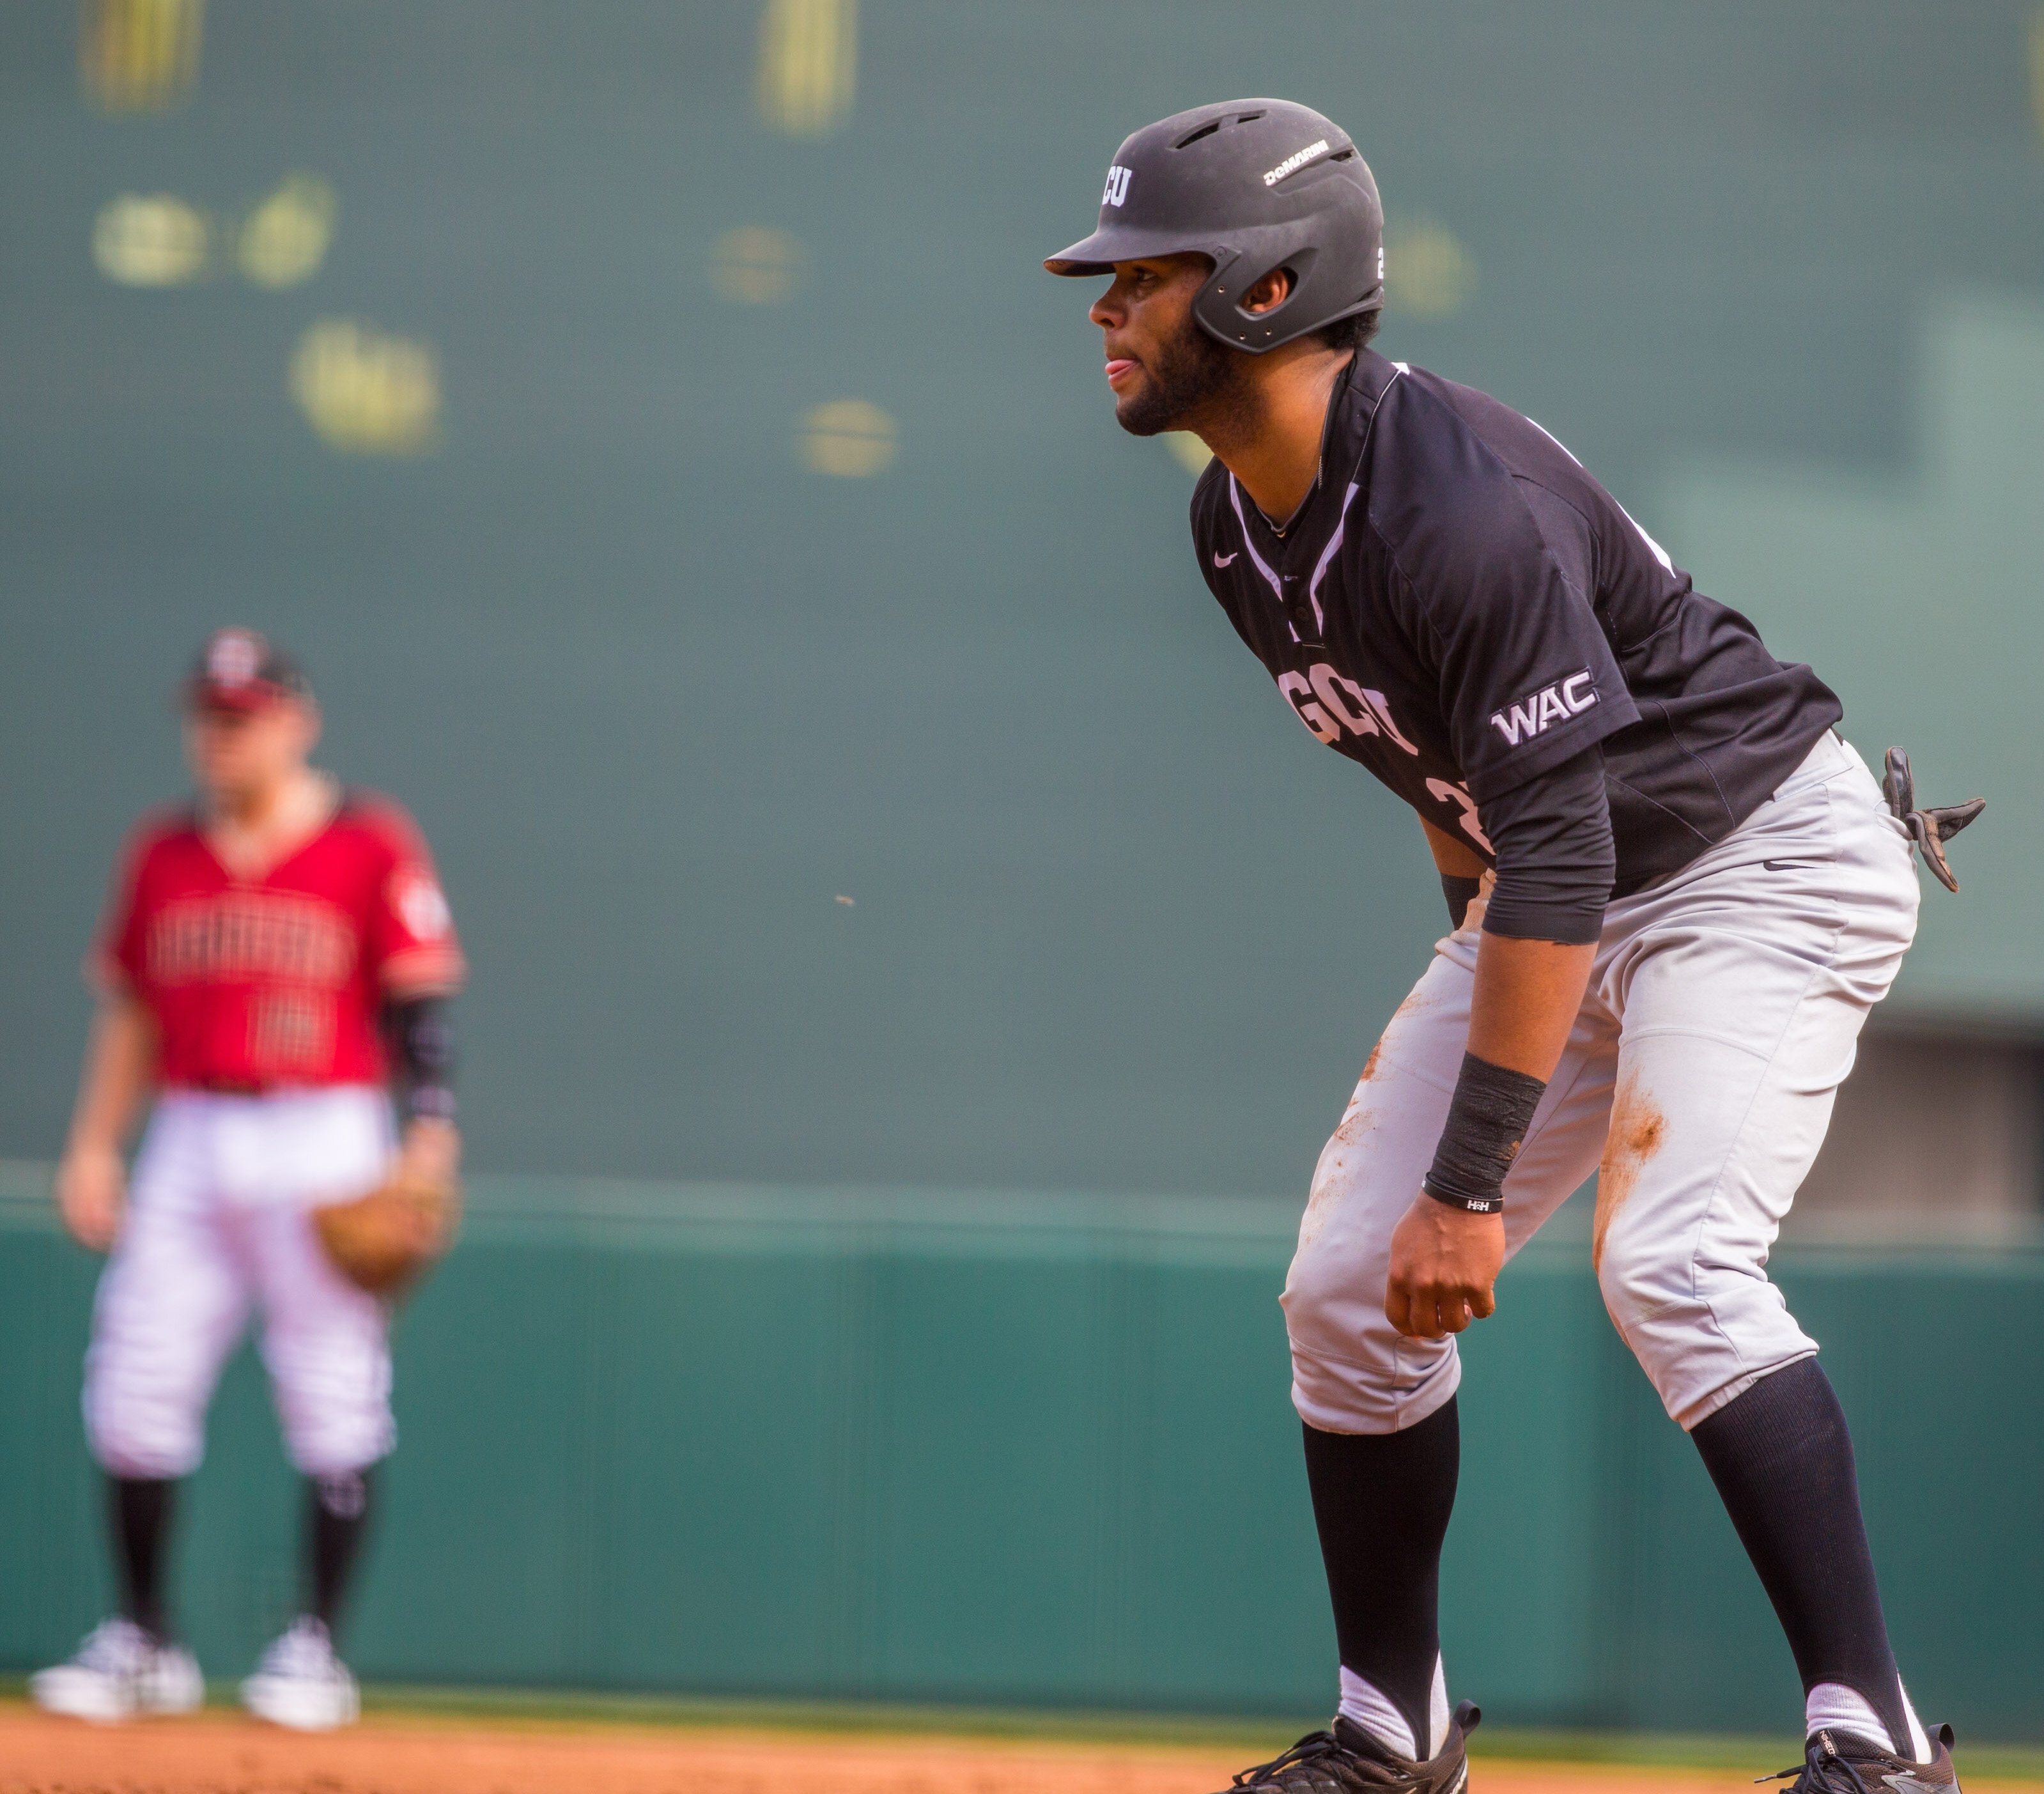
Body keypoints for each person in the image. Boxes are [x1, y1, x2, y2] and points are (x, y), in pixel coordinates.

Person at [1046, 100, 1968, 1794]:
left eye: (1139, 276)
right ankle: (1390, 1738)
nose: (1102, 306)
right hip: (1564, 885)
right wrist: (1486, 1061)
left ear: (1261, 288)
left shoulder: (1449, 508)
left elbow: (1551, 839)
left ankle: (1879, 1739)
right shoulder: (1232, 526)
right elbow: (1450, 794)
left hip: (1754, 859)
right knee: (1341, 1290)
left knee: (1671, 1265)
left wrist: (1471, 1179)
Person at [31, 628, 464, 1731]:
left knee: (331, 1388)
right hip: (189, 1126)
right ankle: (143, 1642)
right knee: (132, 1385)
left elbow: (421, 1008)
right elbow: (130, 1010)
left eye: (244, 715)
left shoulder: (367, 840)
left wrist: (427, 1134)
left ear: (295, 721)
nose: (221, 735)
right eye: (209, 715)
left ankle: (316, 1650)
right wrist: (92, 1144)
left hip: (323, 1131)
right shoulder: (163, 852)